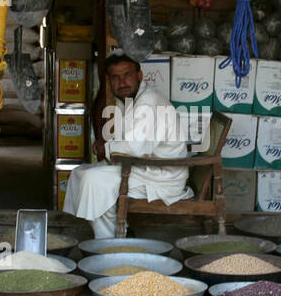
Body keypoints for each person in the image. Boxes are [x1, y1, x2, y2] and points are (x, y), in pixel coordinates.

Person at [63, 52, 192, 238]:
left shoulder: (149, 102)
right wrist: (107, 146)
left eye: (127, 75)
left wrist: (105, 148)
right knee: (80, 173)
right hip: (143, 167)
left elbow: (135, 147)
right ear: (108, 81)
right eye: (115, 77)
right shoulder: (129, 100)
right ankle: (118, 233)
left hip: (161, 176)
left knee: (94, 181)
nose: (122, 82)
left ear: (140, 76)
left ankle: (110, 241)